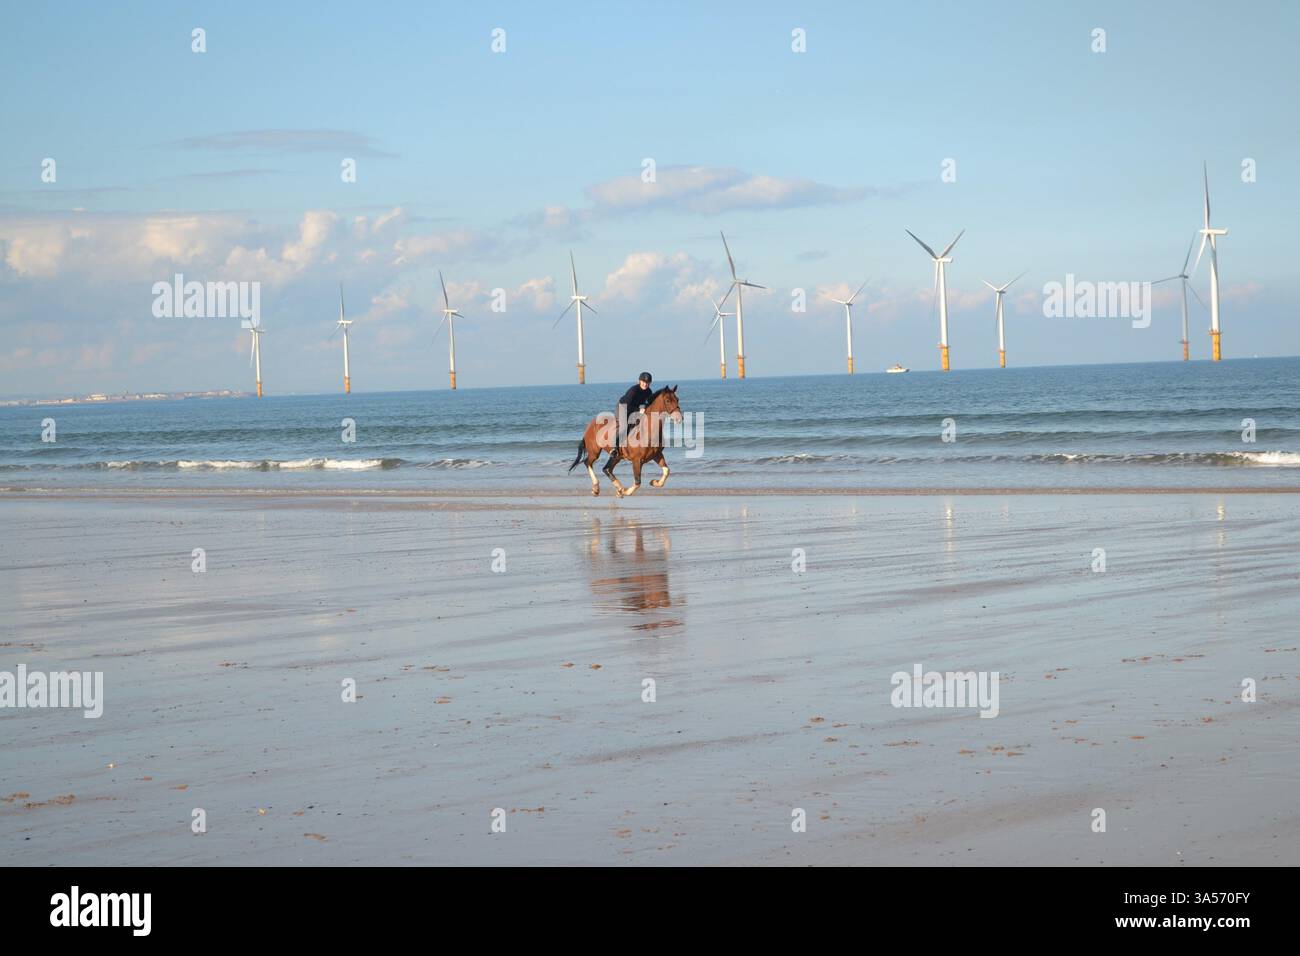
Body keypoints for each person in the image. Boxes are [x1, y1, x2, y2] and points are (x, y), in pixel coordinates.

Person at [613, 372, 654, 453]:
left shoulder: (649, 392)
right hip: (623, 407)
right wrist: (639, 410)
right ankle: (614, 448)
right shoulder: (634, 390)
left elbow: (649, 404)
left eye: (647, 383)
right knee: (624, 427)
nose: (645, 384)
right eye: (644, 382)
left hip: (634, 409)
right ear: (639, 381)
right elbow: (628, 406)